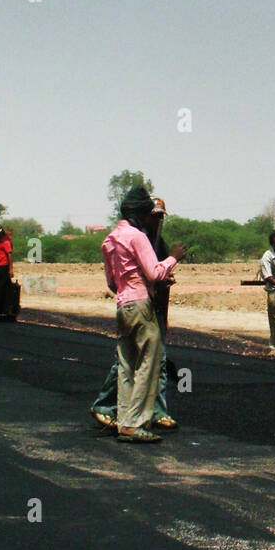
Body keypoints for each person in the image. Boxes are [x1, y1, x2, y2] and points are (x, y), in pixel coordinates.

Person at [101, 187, 186, 443]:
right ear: (139, 214)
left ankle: (124, 423)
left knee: (126, 365)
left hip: (122, 305)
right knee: (148, 366)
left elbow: (111, 282)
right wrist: (173, 258)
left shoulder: (110, 239)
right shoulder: (138, 237)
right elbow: (155, 273)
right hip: (141, 304)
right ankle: (137, 423)